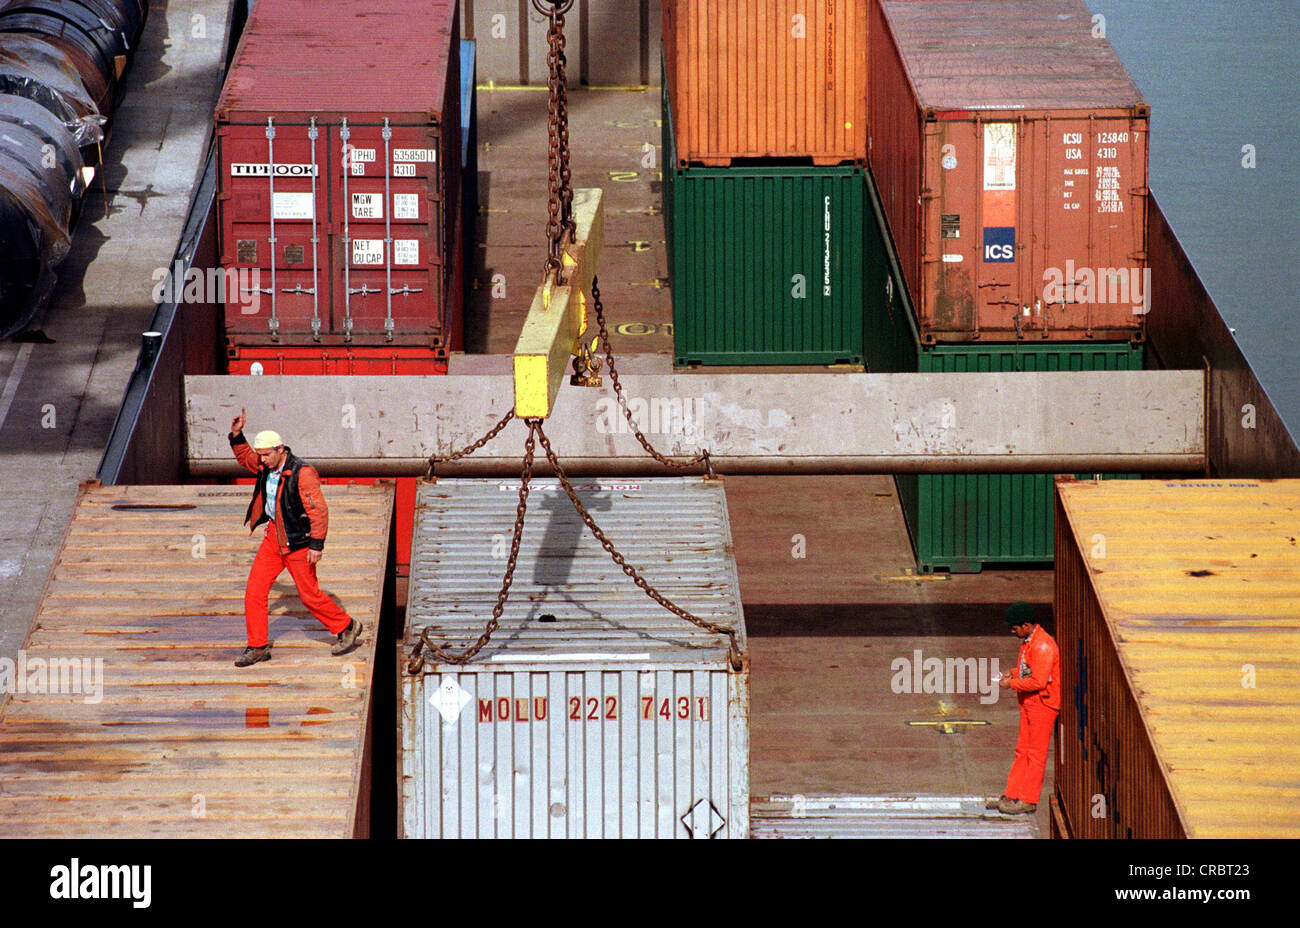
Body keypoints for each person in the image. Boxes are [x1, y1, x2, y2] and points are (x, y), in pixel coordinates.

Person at [228, 408, 362, 667]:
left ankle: (347, 626)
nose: (262, 460)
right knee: (254, 590)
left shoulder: (303, 472)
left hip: (298, 543)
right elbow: (246, 457)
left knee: (309, 595)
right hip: (273, 538)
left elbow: (318, 510)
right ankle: (257, 646)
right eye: (261, 456)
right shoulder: (264, 464)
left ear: (279, 449)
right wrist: (236, 435)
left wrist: (316, 544)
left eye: (266, 455)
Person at [987, 601, 1060, 815]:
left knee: (1035, 754)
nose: (1012, 631)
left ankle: (1028, 800)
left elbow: (1038, 681)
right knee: (1022, 751)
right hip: (1030, 703)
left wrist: (1011, 683)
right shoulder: (1031, 641)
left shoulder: (1043, 645)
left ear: (1026, 625)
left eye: (1015, 627)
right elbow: (1028, 670)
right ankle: (1012, 794)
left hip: (1043, 704)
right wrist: (1013, 673)